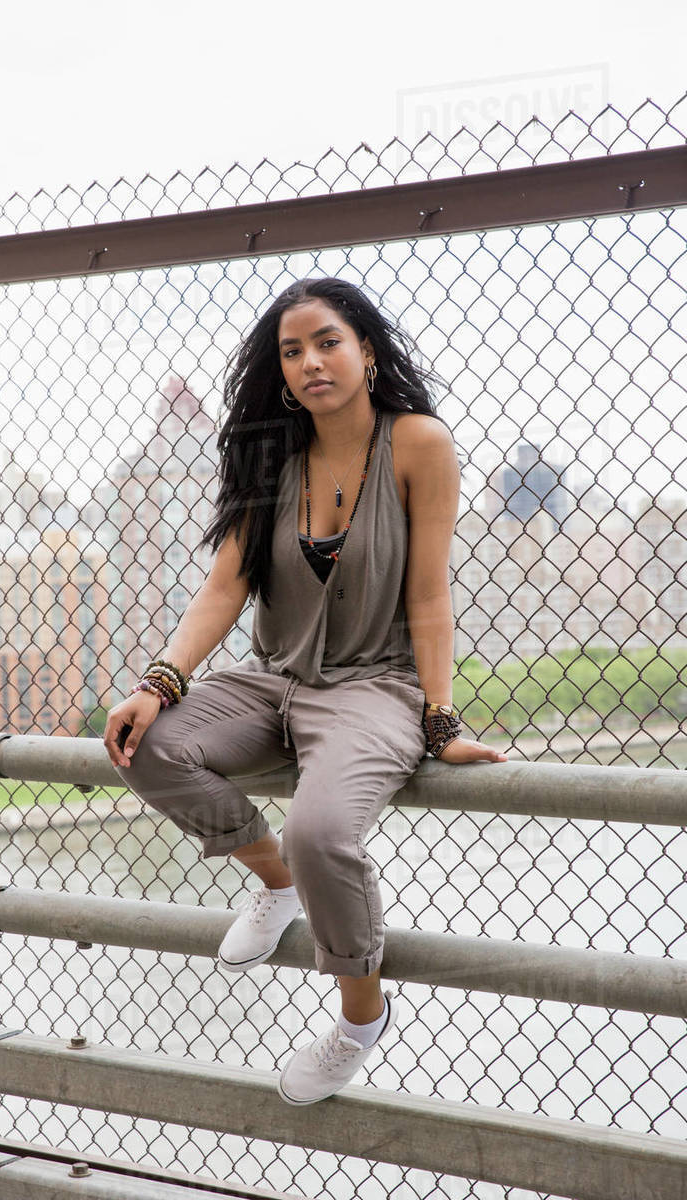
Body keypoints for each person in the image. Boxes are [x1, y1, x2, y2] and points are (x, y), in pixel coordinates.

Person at [104, 275, 508, 1105]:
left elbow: (430, 593)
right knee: (143, 742)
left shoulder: (420, 444)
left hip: (374, 689)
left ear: (365, 347)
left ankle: (360, 1018)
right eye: (292, 351)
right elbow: (224, 588)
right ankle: (274, 880)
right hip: (270, 678)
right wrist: (160, 681)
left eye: (328, 341)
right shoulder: (270, 456)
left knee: (325, 829)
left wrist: (439, 718)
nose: (311, 362)